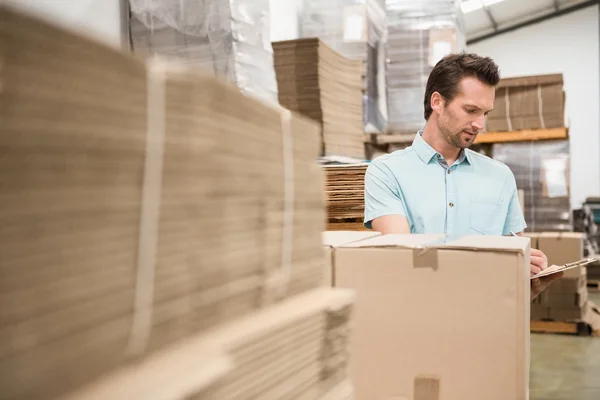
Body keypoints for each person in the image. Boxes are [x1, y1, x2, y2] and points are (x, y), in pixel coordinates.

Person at [363, 53, 561, 299]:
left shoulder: (500, 177)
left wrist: (528, 278)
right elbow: (400, 260)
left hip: (486, 322)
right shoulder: (386, 172)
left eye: (485, 113)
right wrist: (493, 266)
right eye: (471, 110)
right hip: (415, 320)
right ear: (437, 102)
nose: (480, 124)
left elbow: (513, 270)